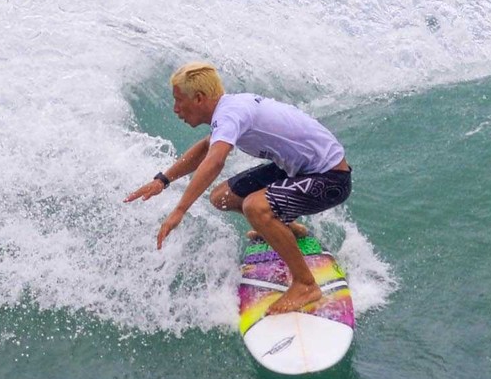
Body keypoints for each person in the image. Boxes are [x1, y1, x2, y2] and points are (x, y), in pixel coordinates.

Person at [125, 61, 352, 314]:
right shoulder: (229, 110)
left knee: (255, 207)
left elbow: (215, 161)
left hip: (330, 178)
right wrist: (162, 180)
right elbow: (206, 148)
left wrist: (179, 210)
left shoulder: (230, 113)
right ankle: (285, 229)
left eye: (179, 100)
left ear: (199, 98)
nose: (175, 109)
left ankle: (306, 285)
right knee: (222, 197)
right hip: (299, 170)